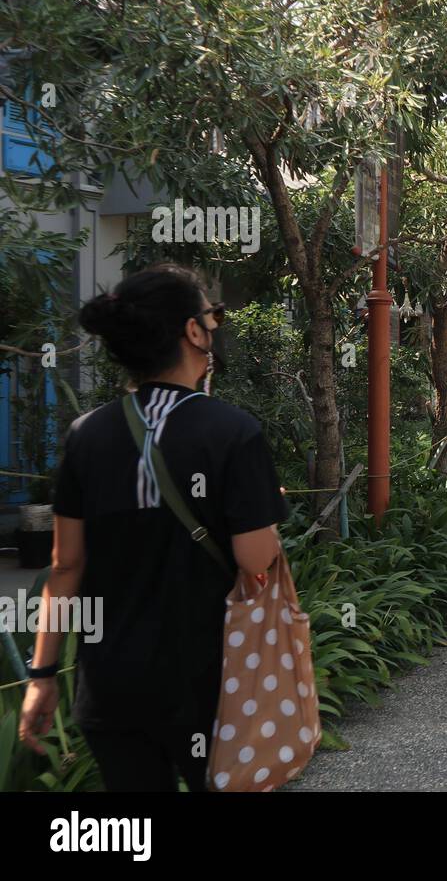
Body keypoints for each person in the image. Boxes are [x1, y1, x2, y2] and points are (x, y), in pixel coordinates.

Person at [19, 265, 287, 791]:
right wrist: (265, 513)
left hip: (112, 686)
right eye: (213, 314)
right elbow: (258, 560)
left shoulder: (85, 436)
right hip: (212, 684)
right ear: (193, 331)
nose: (215, 326)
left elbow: (65, 566)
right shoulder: (233, 433)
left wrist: (43, 675)